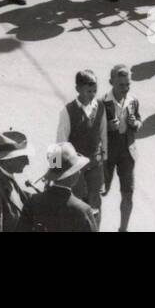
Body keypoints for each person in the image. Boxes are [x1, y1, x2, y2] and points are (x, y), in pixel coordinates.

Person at [55, 69, 108, 220]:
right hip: (75, 168)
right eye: (88, 91)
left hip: (95, 165)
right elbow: (60, 142)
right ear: (78, 89)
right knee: (76, 204)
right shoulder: (67, 111)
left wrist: (105, 162)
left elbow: (103, 136)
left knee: (95, 203)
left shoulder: (101, 107)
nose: (92, 95)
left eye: (94, 91)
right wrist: (55, 172)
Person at [16, 143, 96, 232]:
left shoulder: (33, 201)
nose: (79, 172)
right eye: (78, 170)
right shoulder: (83, 210)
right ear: (73, 176)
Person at [102, 64, 142, 232]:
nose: (125, 88)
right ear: (111, 82)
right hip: (108, 153)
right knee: (100, 192)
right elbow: (95, 130)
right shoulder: (103, 102)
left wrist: (136, 124)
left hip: (127, 152)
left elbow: (139, 121)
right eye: (121, 85)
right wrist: (108, 127)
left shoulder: (133, 100)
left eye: (128, 85)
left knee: (128, 193)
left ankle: (123, 229)